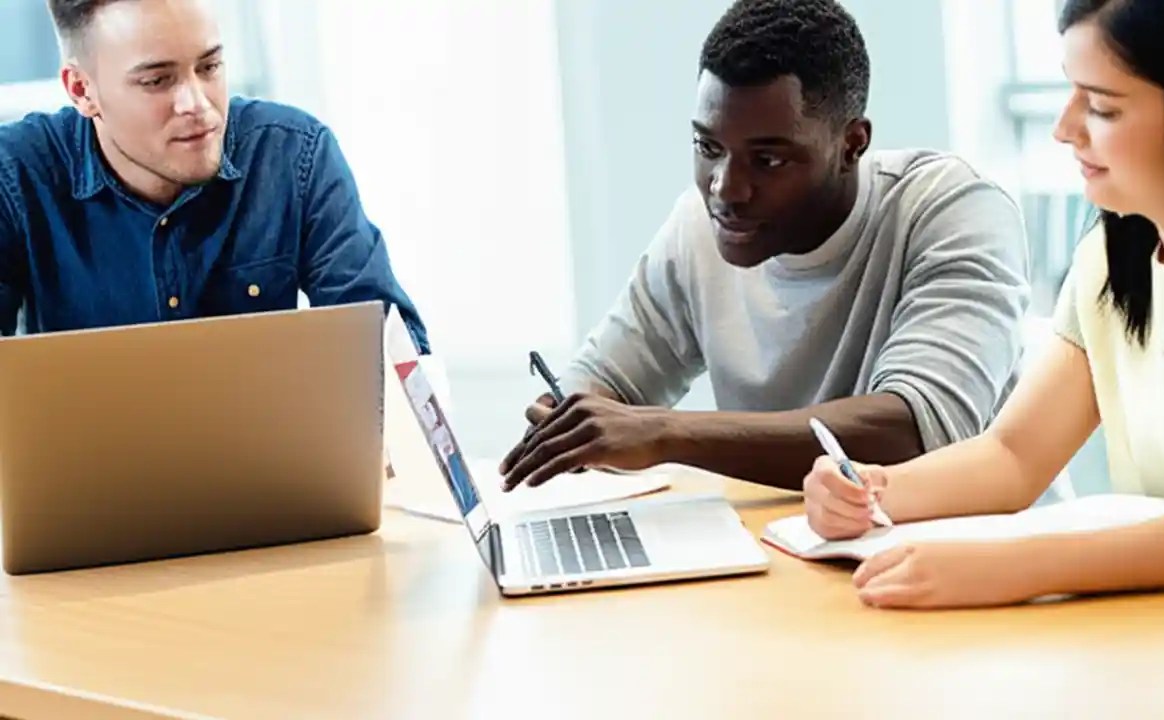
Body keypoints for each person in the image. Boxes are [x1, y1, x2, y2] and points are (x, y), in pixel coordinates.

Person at [802, 0, 1164, 610]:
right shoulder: (1110, 262)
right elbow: (1014, 455)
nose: (1065, 127)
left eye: (1102, 106)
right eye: (1071, 93)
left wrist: (1022, 566)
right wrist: (874, 489)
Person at [499, 0, 1030, 491]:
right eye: (709, 148)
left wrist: (663, 434)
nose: (725, 189)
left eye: (768, 160)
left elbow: (913, 431)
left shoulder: (952, 210)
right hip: (798, 558)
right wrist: (566, 423)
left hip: (974, 565)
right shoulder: (698, 227)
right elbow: (601, 387)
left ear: (852, 144)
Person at [0, 0, 428, 352]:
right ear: (81, 89)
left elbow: (391, 357)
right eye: (157, 81)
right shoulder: (15, 177)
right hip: (87, 457)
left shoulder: (294, 153)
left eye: (209, 68)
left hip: (270, 454)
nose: (198, 104)